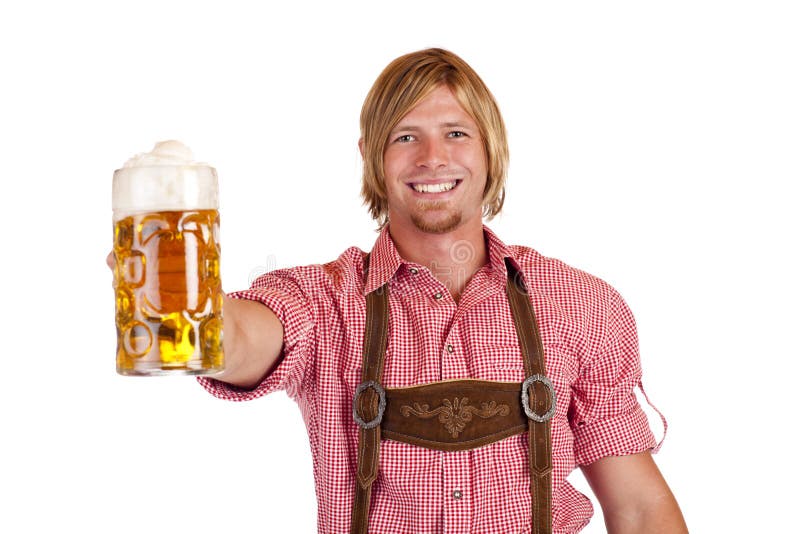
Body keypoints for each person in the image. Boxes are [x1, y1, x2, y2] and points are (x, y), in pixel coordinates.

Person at [121, 48, 688, 533]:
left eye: (456, 133)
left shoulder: (579, 305)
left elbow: (638, 511)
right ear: (372, 156)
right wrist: (182, 302)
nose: (432, 157)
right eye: (406, 136)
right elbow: (243, 337)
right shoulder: (325, 301)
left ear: (490, 150)